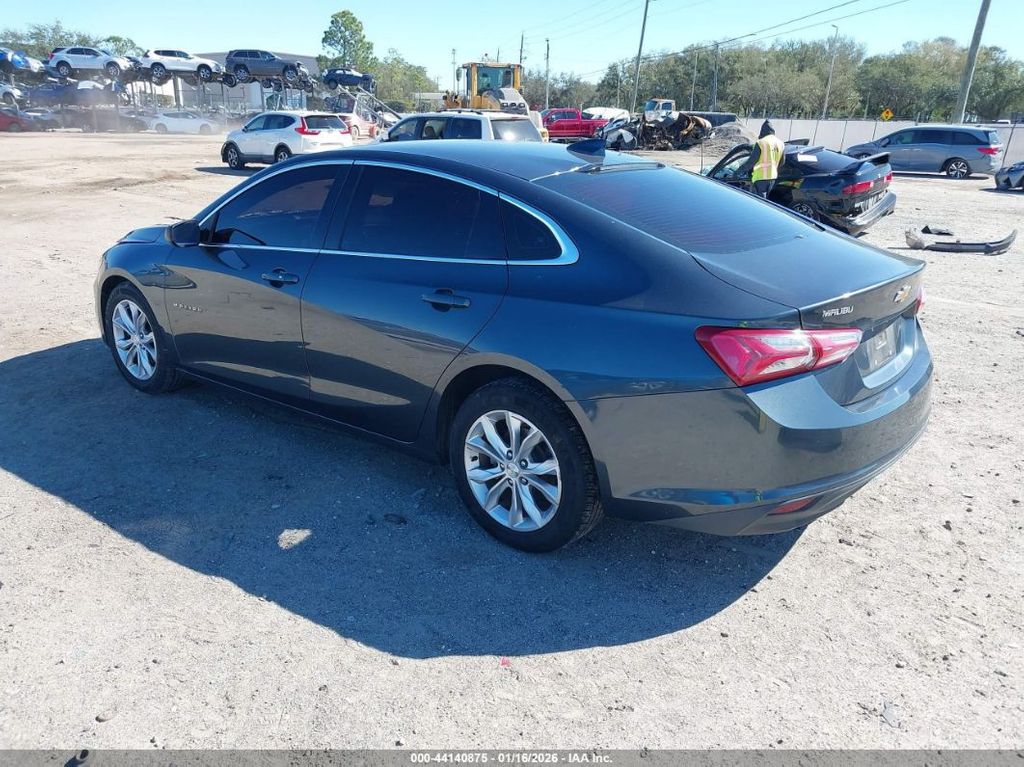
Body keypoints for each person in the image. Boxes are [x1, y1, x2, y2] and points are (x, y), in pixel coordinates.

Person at [739, 120, 786, 199]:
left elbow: (751, 162)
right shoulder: (780, 143)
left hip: (760, 177)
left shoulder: (761, 142)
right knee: (765, 200)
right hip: (772, 177)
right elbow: (782, 162)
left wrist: (739, 171)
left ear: (762, 131)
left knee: (758, 200)